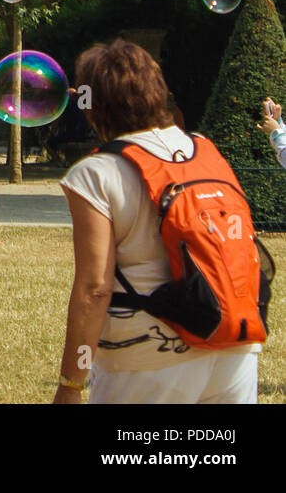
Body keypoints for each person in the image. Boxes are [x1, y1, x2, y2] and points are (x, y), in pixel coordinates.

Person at [56, 39, 261, 404]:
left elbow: (94, 289)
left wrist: (71, 383)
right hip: (234, 347)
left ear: (94, 106)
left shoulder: (95, 173)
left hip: (146, 358)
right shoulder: (207, 151)